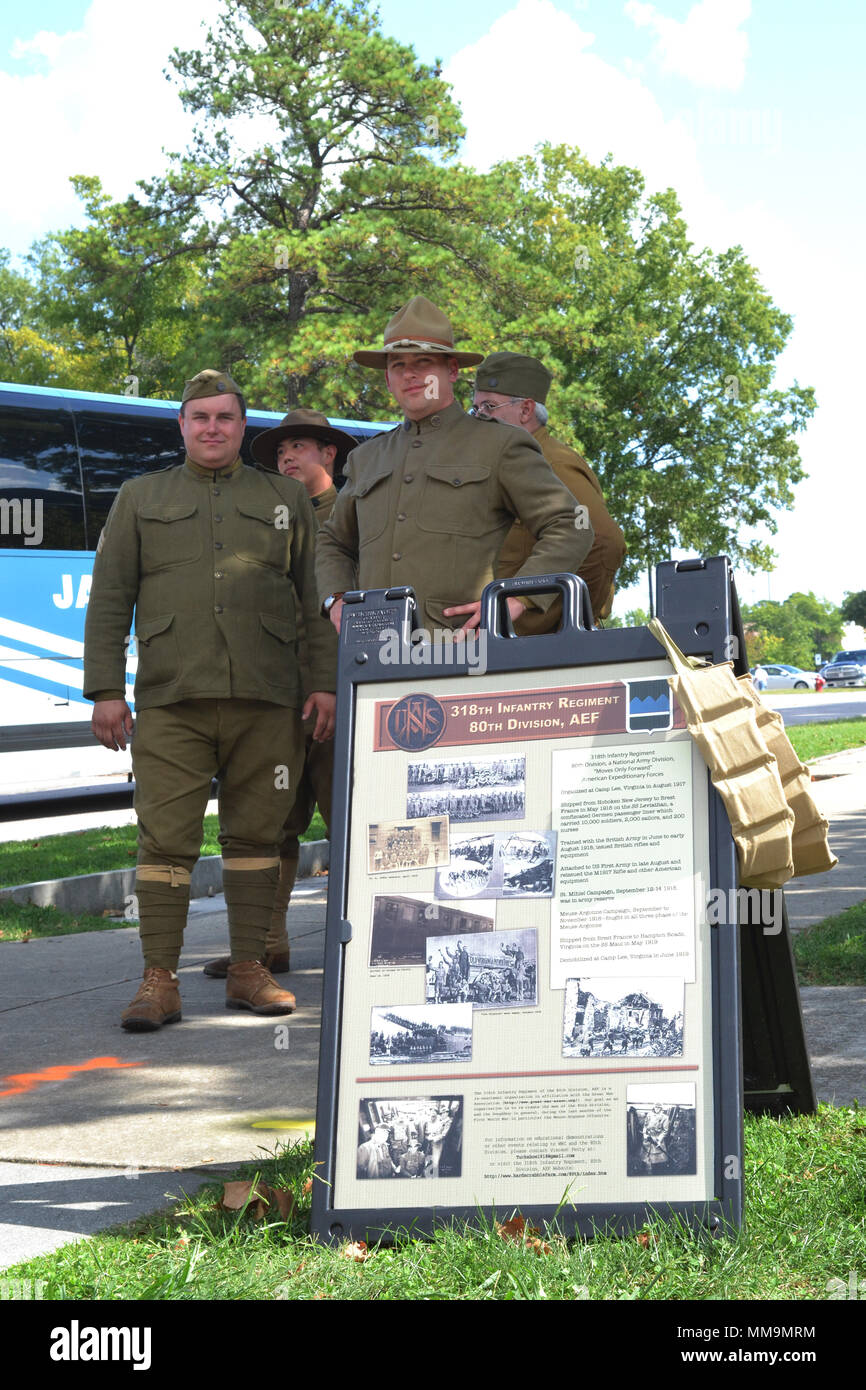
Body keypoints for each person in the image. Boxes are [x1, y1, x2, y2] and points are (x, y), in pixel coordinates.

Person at [83, 370, 337, 1031]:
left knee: (257, 836)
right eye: (199, 417)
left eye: (225, 417)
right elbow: (110, 597)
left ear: (241, 425)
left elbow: (313, 601)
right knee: (165, 843)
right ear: (182, 426)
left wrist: (322, 684)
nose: (212, 428)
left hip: (267, 695)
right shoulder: (140, 497)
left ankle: (250, 969)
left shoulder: (286, 498)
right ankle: (158, 982)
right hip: (171, 698)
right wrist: (106, 690)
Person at [316, 296, 594, 635]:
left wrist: (516, 598)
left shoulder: (498, 444)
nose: (410, 374)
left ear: (451, 371)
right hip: (371, 653)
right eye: (398, 365)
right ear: (387, 380)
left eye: (424, 362)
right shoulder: (366, 457)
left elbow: (571, 524)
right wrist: (336, 599)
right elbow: (333, 540)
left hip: (461, 651)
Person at [202, 409, 355, 980]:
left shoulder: (354, 511)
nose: (287, 458)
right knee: (269, 820)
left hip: (341, 688)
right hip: (276, 691)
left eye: (299, 447)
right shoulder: (270, 515)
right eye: (281, 451)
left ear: (329, 455)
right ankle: (268, 944)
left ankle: (366, 946)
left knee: (350, 818)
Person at [473, 351, 626, 627]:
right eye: (476, 409)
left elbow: (604, 542)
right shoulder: (504, 461)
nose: (479, 417)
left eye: (489, 407)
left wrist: (554, 629)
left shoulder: (552, 462)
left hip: (526, 654)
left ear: (525, 410)